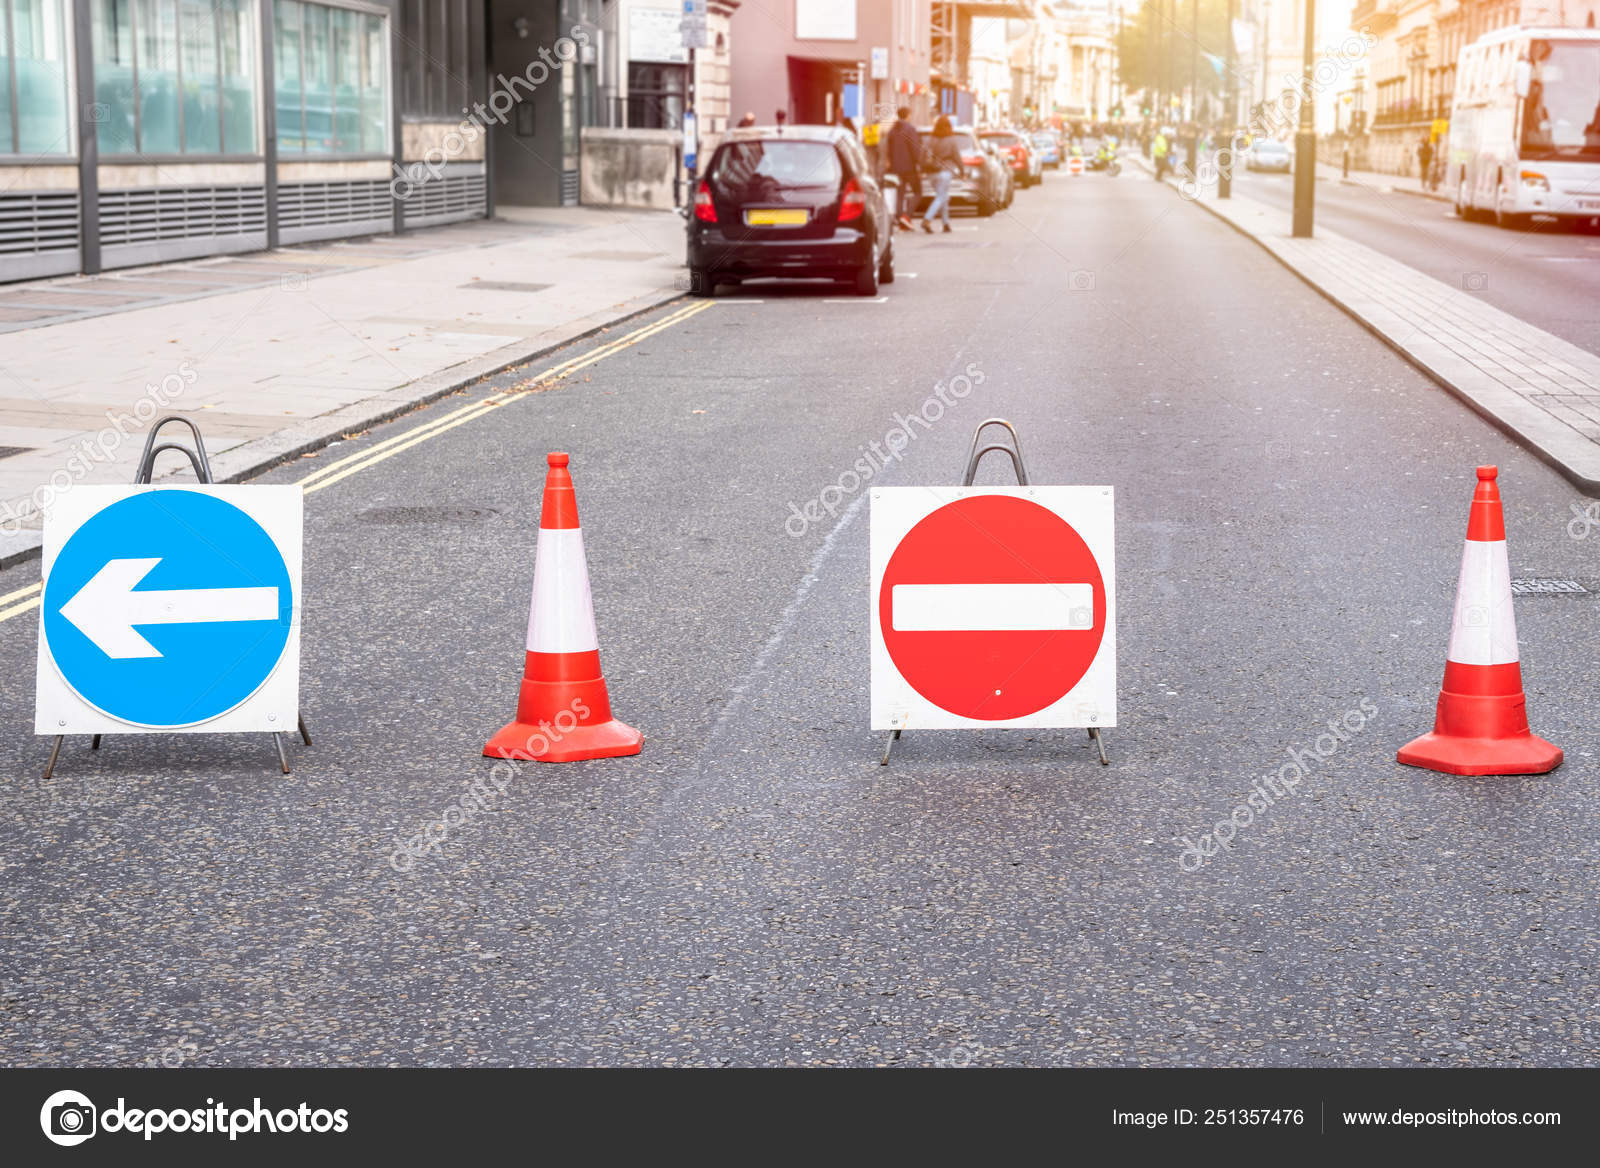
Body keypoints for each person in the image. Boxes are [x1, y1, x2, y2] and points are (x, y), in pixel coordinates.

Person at [922, 116, 961, 234]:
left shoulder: (930, 139)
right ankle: (927, 219)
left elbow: (922, 155)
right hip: (945, 171)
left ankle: (946, 223)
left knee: (943, 195)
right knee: (941, 196)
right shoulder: (951, 139)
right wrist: (962, 171)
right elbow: (956, 156)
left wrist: (922, 169)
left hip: (931, 173)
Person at [886, 106, 922, 230]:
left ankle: (899, 218)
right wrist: (919, 164)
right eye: (910, 115)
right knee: (918, 192)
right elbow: (915, 149)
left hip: (896, 168)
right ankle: (907, 217)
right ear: (907, 115)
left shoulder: (893, 130)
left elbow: (888, 150)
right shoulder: (910, 129)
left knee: (900, 193)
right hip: (909, 167)